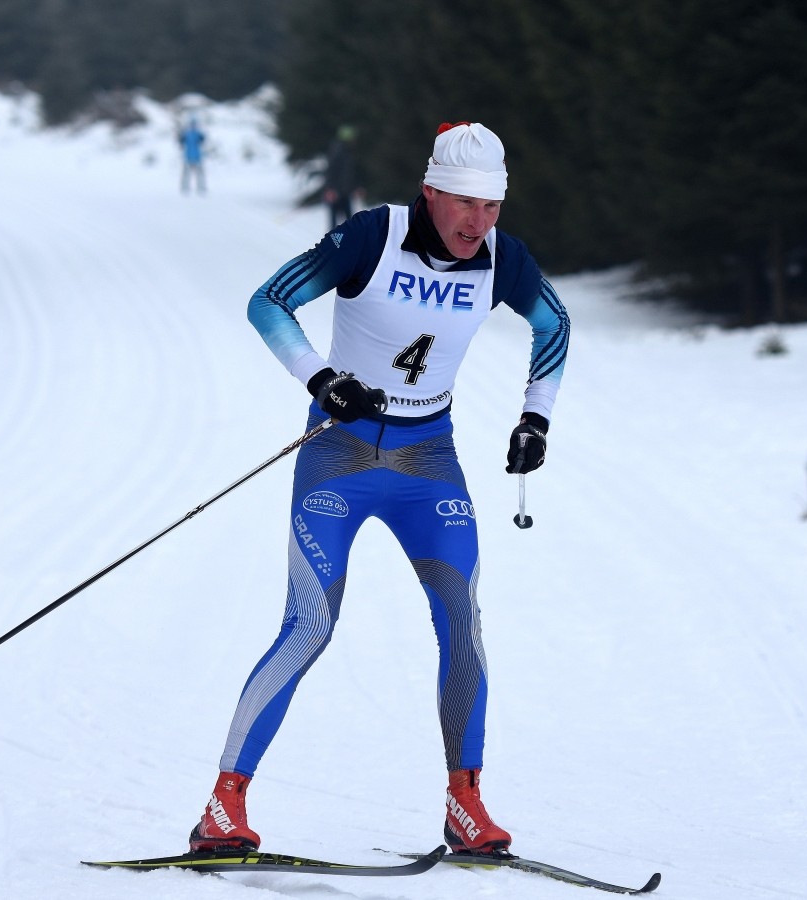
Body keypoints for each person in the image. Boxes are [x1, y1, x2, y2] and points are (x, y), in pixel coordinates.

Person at [189, 122, 570, 856]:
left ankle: (466, 802)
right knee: (310, 623)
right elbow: (268, 302)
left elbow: (554, 325)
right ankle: (223, 806)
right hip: (340, 454)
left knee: (462, 620)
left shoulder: (503, 259)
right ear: (430, 192)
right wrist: (321, 379)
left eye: (492, 206)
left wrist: (536, 418)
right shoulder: (374, 236)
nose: (478, 223)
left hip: (429, 462)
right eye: (465, 203)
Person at [322, 124, 362, 227]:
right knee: (336, 223)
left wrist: (355, 187)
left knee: (349, 221)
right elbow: (331, 171)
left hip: (344, 192)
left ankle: (349, 236)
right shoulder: (338, 151)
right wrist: (330, 189)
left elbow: (349, 174)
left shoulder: (348, 152)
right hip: (336, 192)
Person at [178, 116, 207, 195]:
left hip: (194, 156)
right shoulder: (189, 134)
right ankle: (187, 187)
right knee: (190, 173)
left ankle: (198, 187)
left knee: (196, 173)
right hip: (191, 156)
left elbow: (181, 142)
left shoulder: (191, 133)